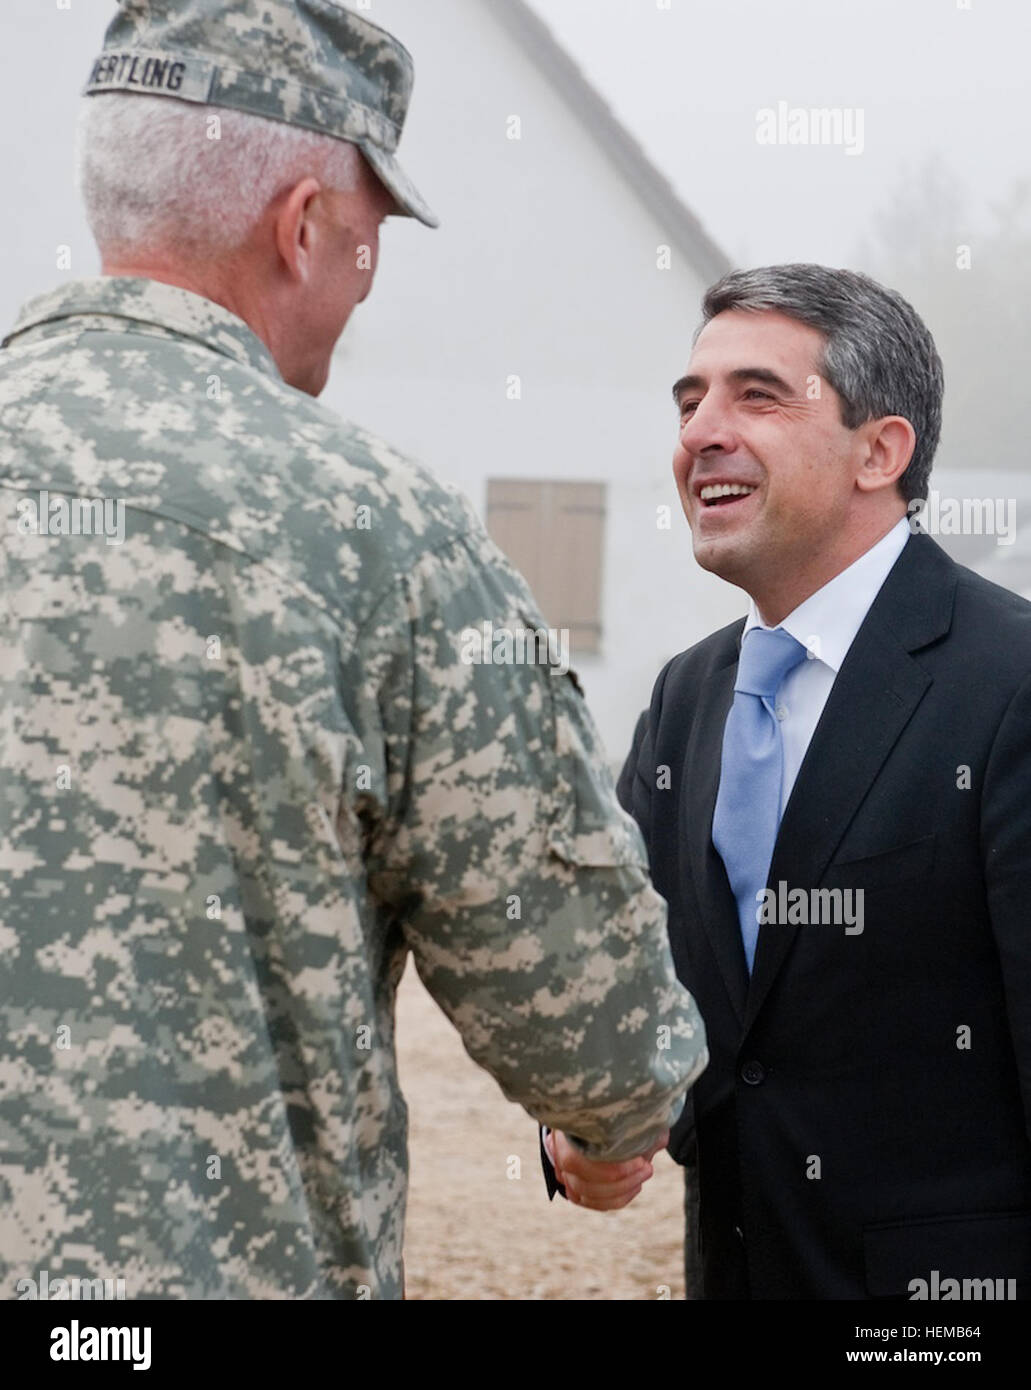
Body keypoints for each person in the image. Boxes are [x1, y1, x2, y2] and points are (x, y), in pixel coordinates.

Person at [0, 0, 707, 1300]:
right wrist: (613, 1126)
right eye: (372, 229)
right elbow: (582, 1005)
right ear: (305, 223)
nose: (367, 265)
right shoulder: (378, 536)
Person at [544, 263, 1031, 1299]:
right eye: (689, 401)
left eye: (754, 395)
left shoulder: (1009, 684)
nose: (699, 432)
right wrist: (589, 1122)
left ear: (879, 451)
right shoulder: (686, 698)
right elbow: (633, 972)